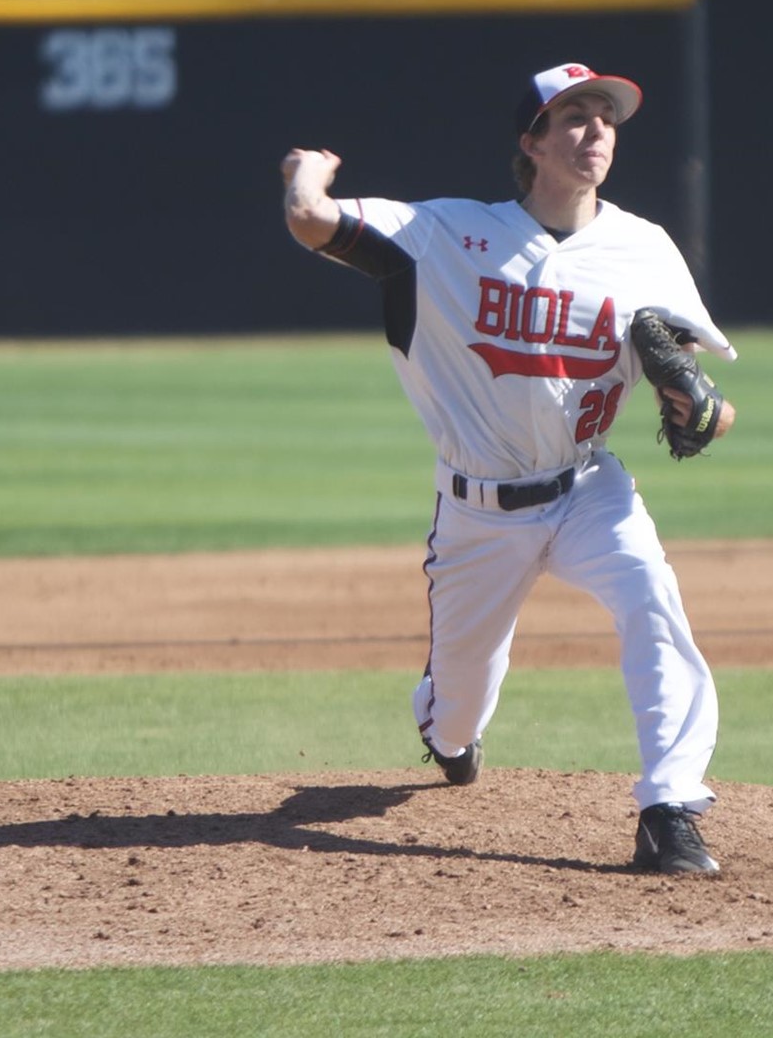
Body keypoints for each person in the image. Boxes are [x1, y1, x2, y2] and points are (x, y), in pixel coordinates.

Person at [279, 62, 735, 875]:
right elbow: (313, 222)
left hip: (589, 489)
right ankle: (448, 732)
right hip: (479, 510)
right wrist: (305, 174)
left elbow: (707, 398)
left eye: (607, 118)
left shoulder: (643, 250)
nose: (597, 131)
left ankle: (670, 810)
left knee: (654, 605)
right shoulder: (449, 236)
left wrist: (701, 407)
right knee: (456, 712)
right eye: (574, 117)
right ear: (532, 141)